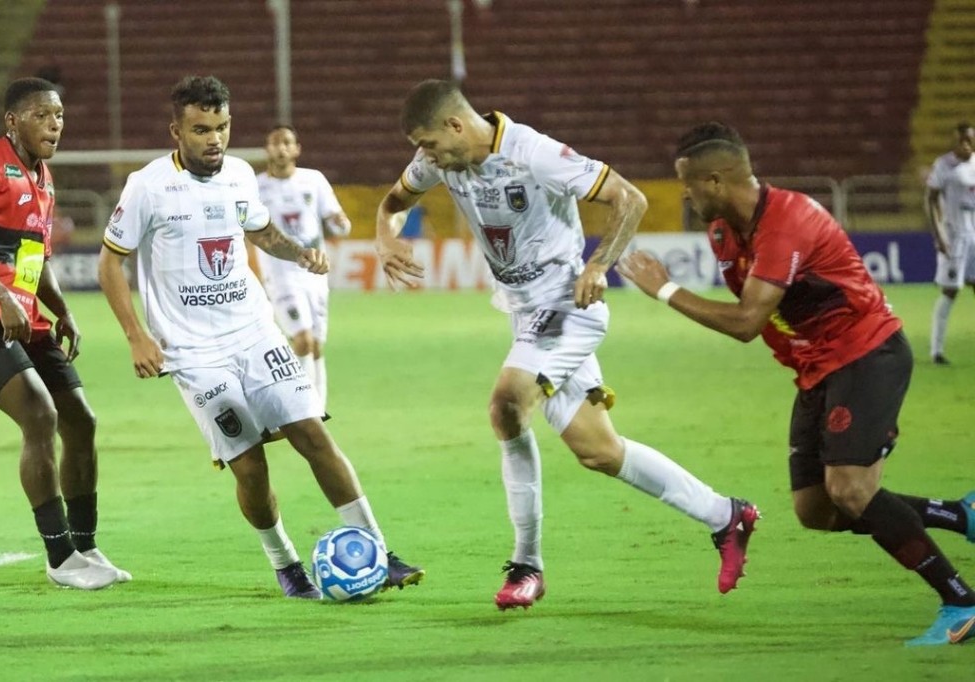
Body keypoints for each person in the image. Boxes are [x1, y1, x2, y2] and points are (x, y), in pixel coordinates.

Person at [376, 79, 758, 610]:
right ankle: (726, 515)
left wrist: (599, 265)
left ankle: (526, 565)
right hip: (525, 314)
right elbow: (393, 202)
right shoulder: (440, 160)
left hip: (567, 305)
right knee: (599, 451)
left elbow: (630, 198)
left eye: (430, 143)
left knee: (506, 405)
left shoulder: (533, 152)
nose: (426, 156)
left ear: (455, 125)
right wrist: (386, 235)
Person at [618, 121, 975, 647]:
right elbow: (772, 318)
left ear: (715, 180)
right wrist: (804, 369)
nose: (685, 194)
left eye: (688, 183)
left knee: (850, 489)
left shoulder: (789, 219)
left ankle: (960, 600)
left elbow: (747, 321)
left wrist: (665, 290)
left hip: (867, 354)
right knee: (817, 509)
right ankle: (960, 514)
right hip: (819, 369)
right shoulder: (722, 233)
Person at [97, 75, 423, 598]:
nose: (215, 140)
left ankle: (380, 553)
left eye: (222, 127)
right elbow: (110, 263)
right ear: (176, 131)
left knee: (311, 432)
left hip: (255, 332)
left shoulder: (241, 175)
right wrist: (136, 335)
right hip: (194, 353)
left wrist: (300, 253)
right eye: (201, 130)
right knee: (249, 465)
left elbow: (261, 231)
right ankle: (286, 564)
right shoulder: (148, 186)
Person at [0, 77, 127, 590]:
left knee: (80, 420)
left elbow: (36, 256)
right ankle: (59, 557)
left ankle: (86, 547)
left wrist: (62, 310)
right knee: (39, 414)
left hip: (24, 317)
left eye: (60, 116)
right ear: (13, 121)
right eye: (42, 115)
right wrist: (1, 296)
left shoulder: (44, 179)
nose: (55, 125)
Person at [247, 125, 350, 409]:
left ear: (297, 149)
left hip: (315, 273)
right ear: (267, 149)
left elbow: (335, 217)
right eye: (275, 143)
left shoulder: (313, 180)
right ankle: (303, 406)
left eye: (287, 142)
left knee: (315, 344)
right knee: (302, 339)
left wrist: (340, 224)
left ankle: (318, 409)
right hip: (280, 274)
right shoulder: (255, 186)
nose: (281, 148)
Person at [925, 122, 975, 365]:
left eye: (969, 140)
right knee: (950, 291)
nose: (965, 145)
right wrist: (939, 236)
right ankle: (936, 351)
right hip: (954, 238)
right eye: (961, 141)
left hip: (974, 236)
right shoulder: (943, 165)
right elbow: (931, 199)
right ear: (954, 142)